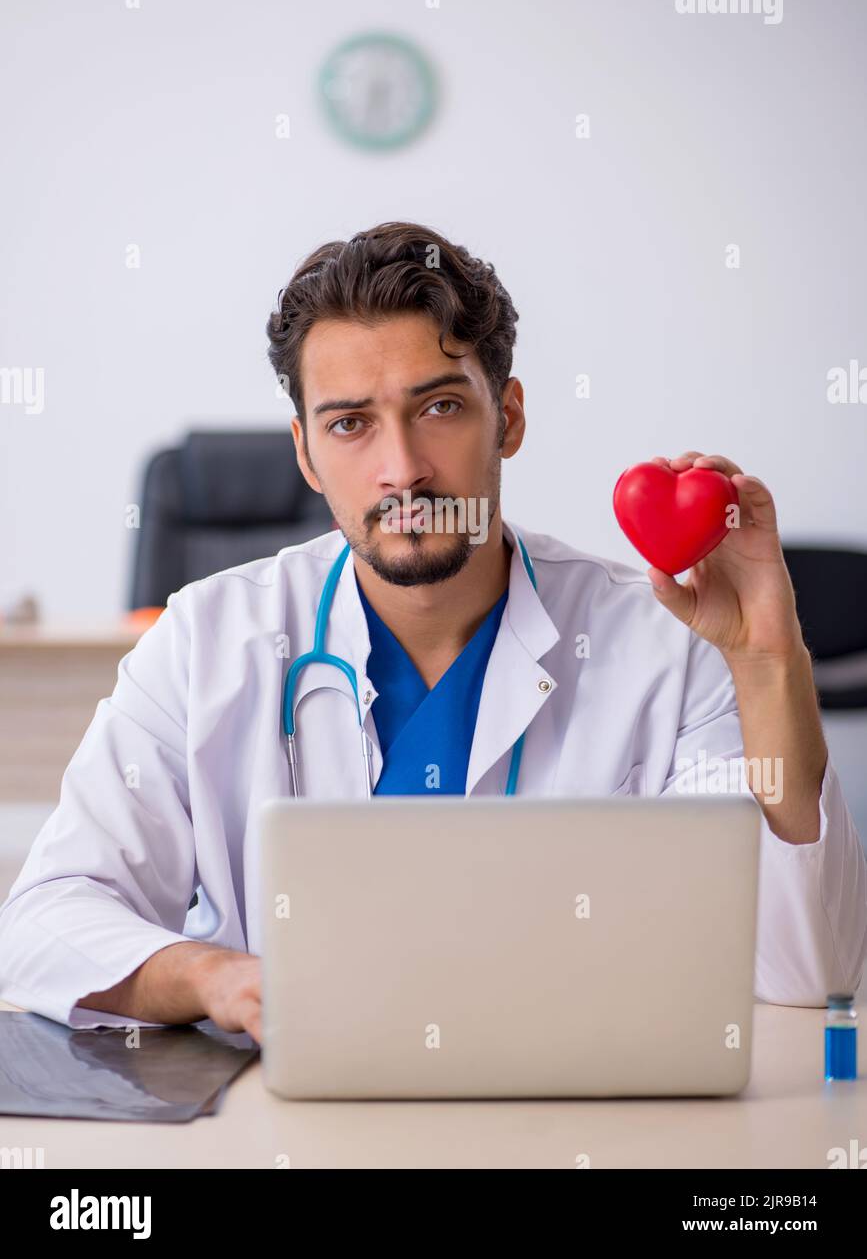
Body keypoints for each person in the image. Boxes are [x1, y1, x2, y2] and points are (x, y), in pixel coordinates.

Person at [1, 221, 864, 1047]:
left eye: (440, 406)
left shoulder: (663, 641)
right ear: (305, 453)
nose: (402, 466)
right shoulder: (204, 641)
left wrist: (765, 662)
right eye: (350, 424)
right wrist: (217, 979)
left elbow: (806, 971)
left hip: (581, 1112)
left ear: (509, 418)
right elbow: (45, 921)